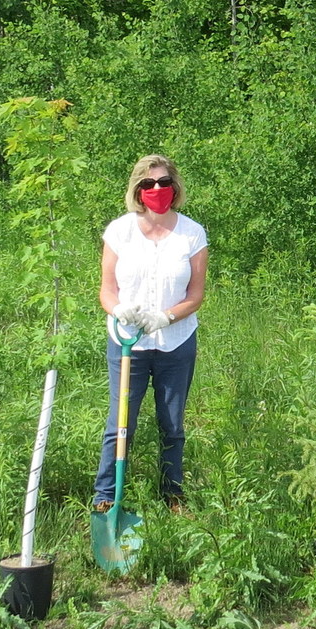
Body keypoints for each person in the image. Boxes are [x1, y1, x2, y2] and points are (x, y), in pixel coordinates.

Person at [94, 154, 208, 515]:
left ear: (174, 186)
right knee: (121, 423)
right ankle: (106, 496)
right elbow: (106, 291)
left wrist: (166, 316)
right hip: (128, 343)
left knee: (172, 423)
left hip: (176, 341)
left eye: (163, 182)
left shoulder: (192, 233)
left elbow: (196, 296)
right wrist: (117, 309)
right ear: (137, 189)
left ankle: (172, 494)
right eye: (148, 183)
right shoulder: (120, 231)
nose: (156, 189)